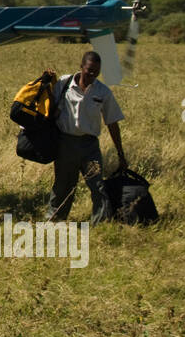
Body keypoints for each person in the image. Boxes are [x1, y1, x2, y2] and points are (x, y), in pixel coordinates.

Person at [48, 50, 126, 223]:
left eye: (96, 72)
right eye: (89, 70)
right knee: (63, 185)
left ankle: (100, 223)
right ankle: (54, 220)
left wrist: (120, 153)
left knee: (97, 185)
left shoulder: (103, 92)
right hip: (65, 144)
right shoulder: (64, 83)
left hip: (89, 147)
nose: (92, 74)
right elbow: (48, 107)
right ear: (81, 66)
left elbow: (112, 123)